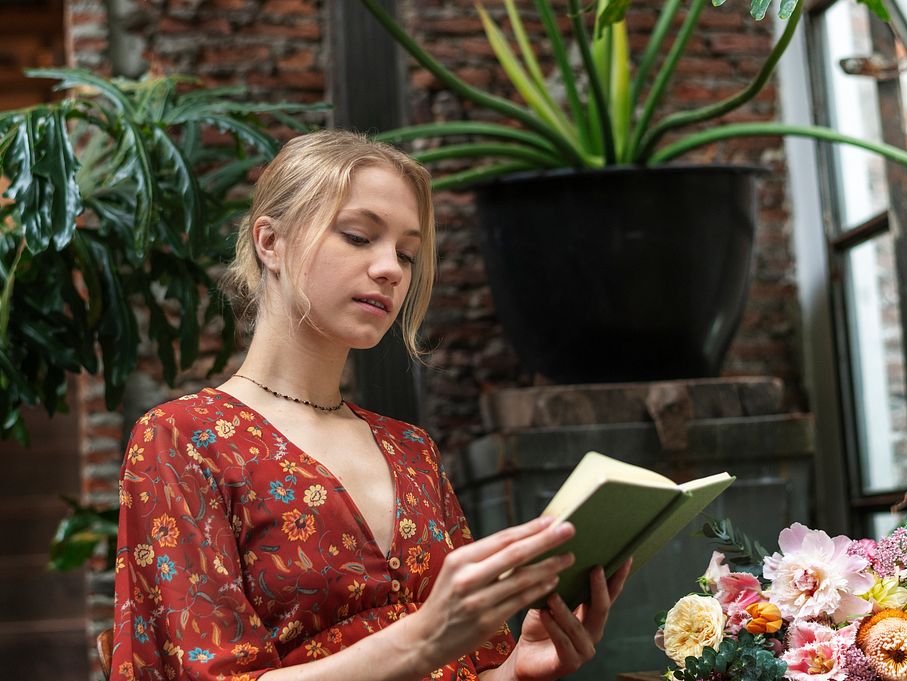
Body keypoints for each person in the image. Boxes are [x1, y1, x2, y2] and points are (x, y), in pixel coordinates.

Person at [110, 130, 632, 681]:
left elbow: (466, 667)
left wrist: (515, 671)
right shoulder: (184, 438)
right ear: (271, 242)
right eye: (359, 237)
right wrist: (424, 638)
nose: (392, 269)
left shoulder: (412, 451)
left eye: (406, 253)